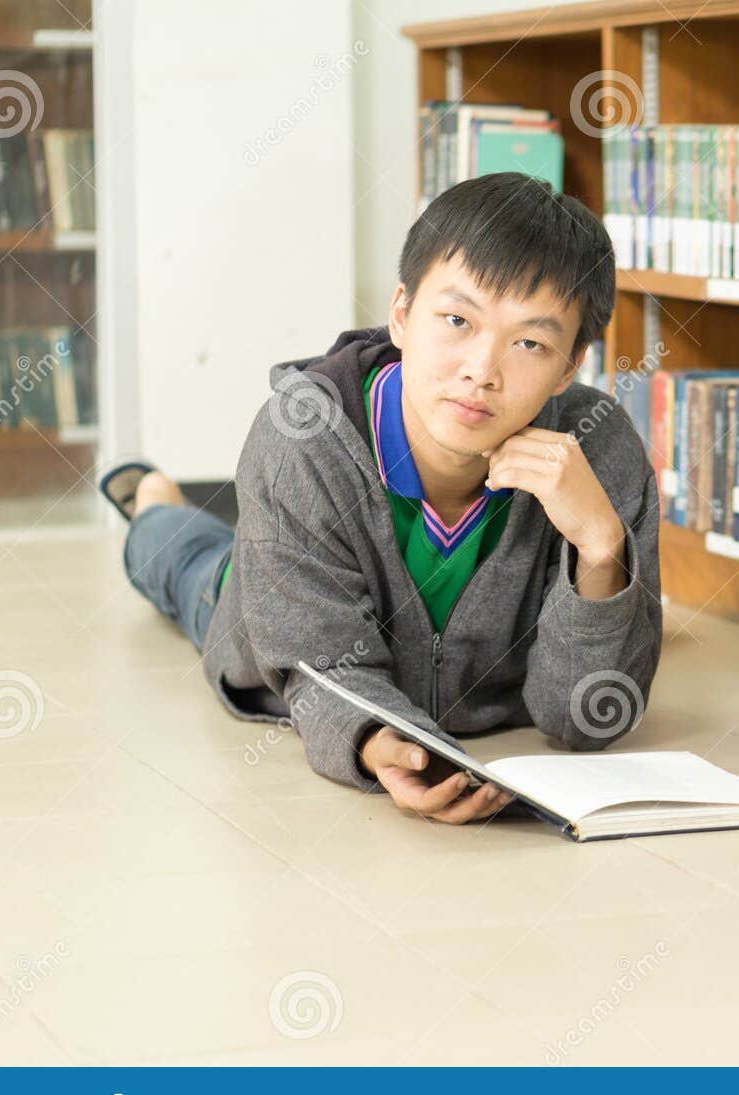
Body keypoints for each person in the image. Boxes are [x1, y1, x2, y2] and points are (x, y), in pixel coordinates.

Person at [100, 171, 661, 826]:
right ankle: (152, 501)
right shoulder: (298, 441)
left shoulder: (601, 452)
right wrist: (374, 740)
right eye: (456, 319)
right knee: (188, 565)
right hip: (260, 604)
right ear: (400, 313)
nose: (482, 369)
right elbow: (320, 661)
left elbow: (581, 717)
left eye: (530, 342)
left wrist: (600, 548)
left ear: (570, 366)